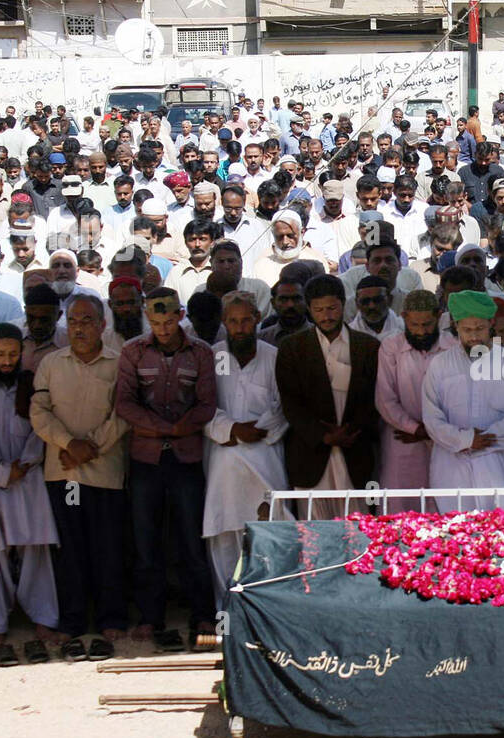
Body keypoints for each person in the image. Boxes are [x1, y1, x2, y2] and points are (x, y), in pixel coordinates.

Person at [115, 287, 218, 651]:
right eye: (154, 322)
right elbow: (124, 403)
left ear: (180, 315)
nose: (161, 328)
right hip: (146, 460)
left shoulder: (202, 352)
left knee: (191, 538)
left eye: (167, 320)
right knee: (146, 540)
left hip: (187, 457)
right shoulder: (132, 351)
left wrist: (179, 427)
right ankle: (150, 616)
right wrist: (164, 428)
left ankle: (203, 613)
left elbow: (207, 403)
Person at [30, 294, 130, 660]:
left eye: (87, 321)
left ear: (103, 325)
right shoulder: (51, 364)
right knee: (70, 548)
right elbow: (38, 412)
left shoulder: (120, 365)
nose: (80, 328)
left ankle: (111, 617)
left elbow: (123, 414)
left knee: (108, 547)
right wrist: (68, 443)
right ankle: (72, 620)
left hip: (103, 472)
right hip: (64, 475)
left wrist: (90, 447)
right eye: (74, 321)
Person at [0, 322, 61, 664]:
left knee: (36, 548)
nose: (7, 361)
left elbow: (42, 424)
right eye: (1, 354)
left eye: (13, 354)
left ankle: (43, 618)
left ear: (22, 353)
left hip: (29, 475)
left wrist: (27, 461)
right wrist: (1, 471)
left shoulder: (30, 384)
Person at [203, 290, 288, 610]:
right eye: (233, 321)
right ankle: (229, 610)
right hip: (223, 461)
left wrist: (257, 430)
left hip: (266, 454)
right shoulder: (214, 357)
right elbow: (203, 407)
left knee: (269, 530)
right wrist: (233, 430)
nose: (240, 327)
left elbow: (283, 407)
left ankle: (269, 609)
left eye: (246, 320)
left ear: (257, 319)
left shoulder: (272, 356)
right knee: (225, 533)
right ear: (225, 323)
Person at [275, 274, 380, 520]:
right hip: (310, 455)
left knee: (359, 532)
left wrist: (351, 432)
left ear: (344, 304)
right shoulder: (292, 347)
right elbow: (291, 403)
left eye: (332, 308)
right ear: (309, 310)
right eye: (319, 309)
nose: (327, 315)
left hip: (355, 452)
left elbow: (375, 397)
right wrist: (323, 436)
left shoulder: (368, 346)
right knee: (315, 538)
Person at [421, 289, 504, 510]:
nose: (473, 336)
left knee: (502, 529)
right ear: (456, 326)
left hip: (498, 462)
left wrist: (487, 439)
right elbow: (431, 416)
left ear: (491, 323)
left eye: (479, 328)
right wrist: (465, 439)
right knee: (455, 532)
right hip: (452, 464)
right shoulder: (440, 364)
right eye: (467, 329)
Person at [375, 290, 450, 510]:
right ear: (404, 317)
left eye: (426, 324)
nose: (420, 331)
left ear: (438, 315)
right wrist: (414, 429)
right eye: (414, 325)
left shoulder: (453, 347)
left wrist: (435, 431)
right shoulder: (390, 348)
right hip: (402, 440)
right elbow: (385, 399)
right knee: (400, 506)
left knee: (443, 505)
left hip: (444, 442)